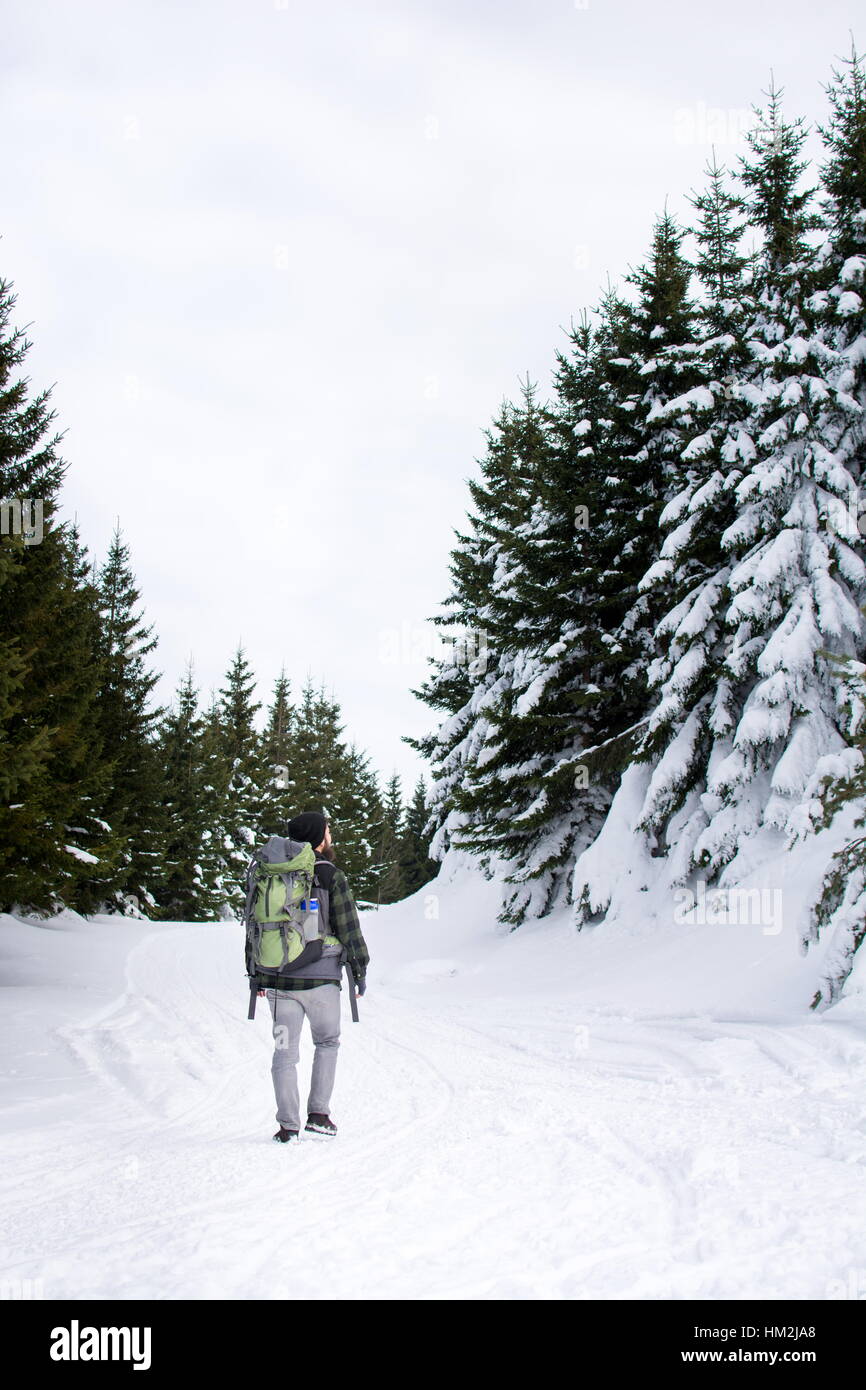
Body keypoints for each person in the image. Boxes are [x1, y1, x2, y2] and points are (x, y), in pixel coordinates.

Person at [259, 810, 369, 1143]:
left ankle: (287, 1127)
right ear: (320, 836)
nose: (331, 834)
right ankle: (319, 1116)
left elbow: (256, 926)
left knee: (284, 1052)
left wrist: (259, 972)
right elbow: (349, 926)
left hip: (278, 982)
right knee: (327, 1042)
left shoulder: (271, 874)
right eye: (328, 829)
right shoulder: (330, 875)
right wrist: (360, 968)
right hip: (321, 981)